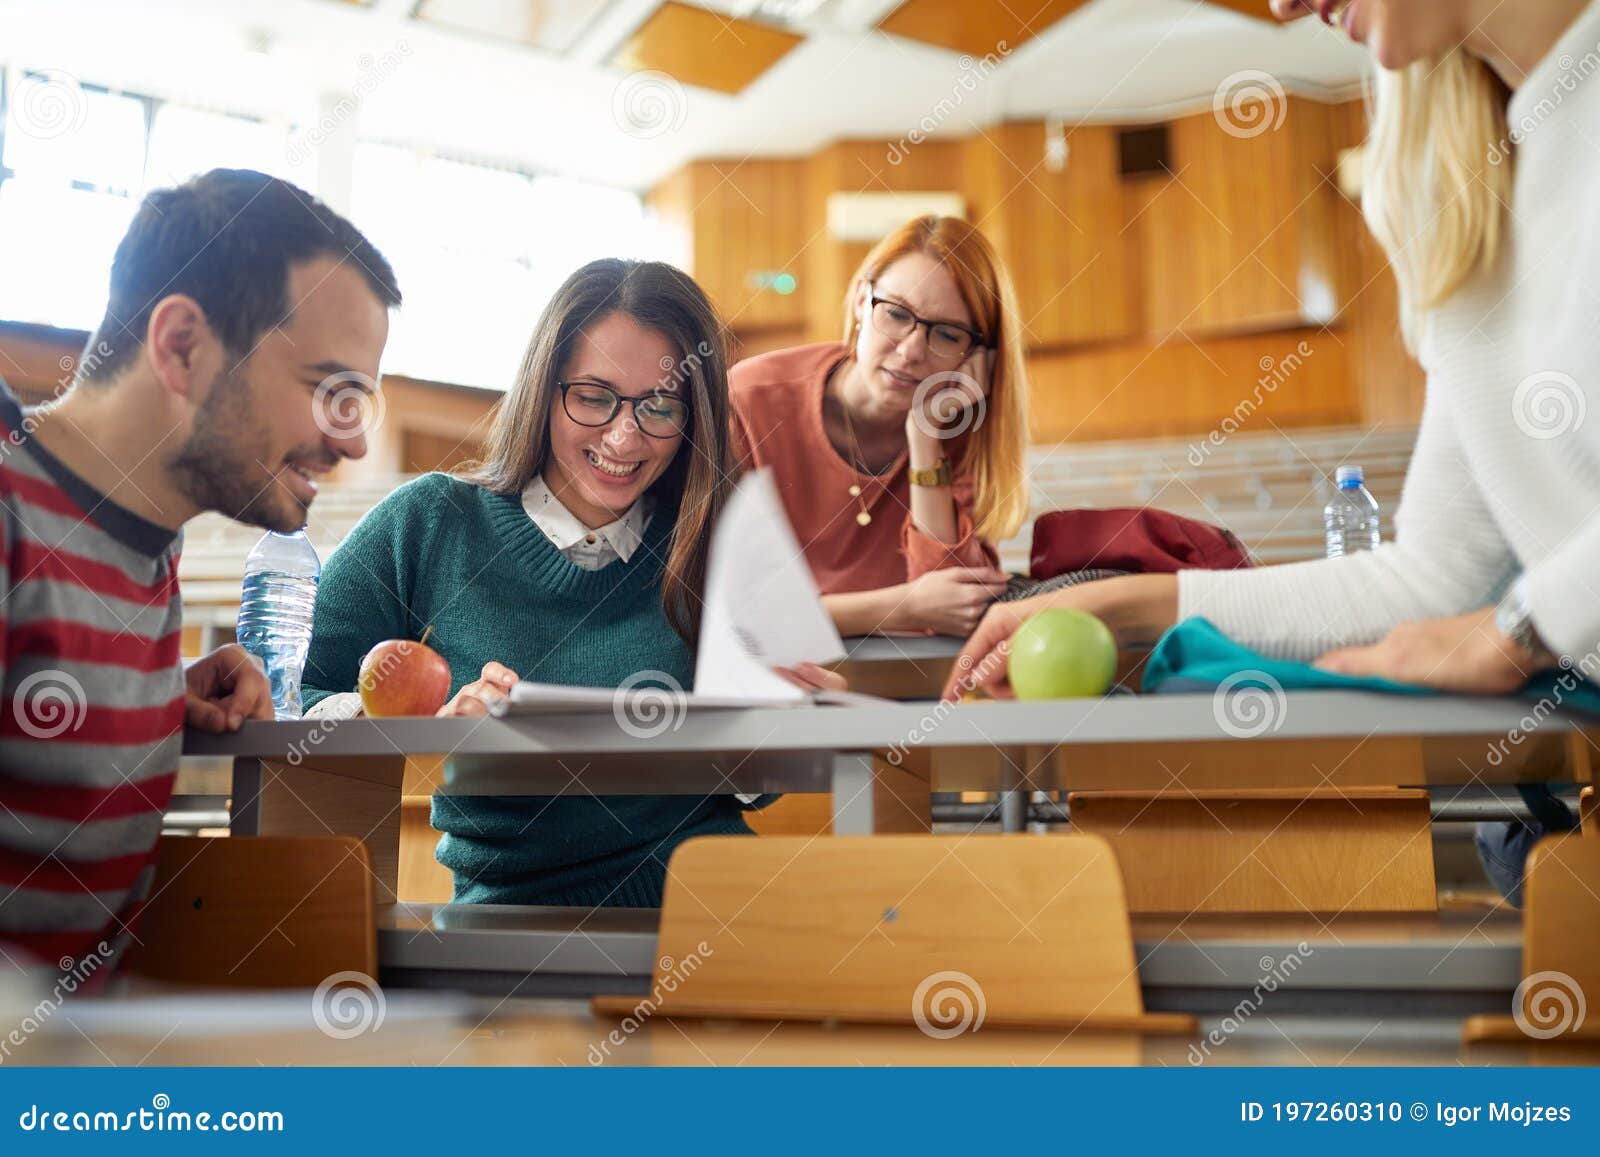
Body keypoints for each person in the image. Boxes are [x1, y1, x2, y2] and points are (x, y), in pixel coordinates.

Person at [947, 0, 1597, 903]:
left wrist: (1519, 628)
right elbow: (1437, 580)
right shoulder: (1465, 197)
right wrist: (1121, 608)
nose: (1284, 7)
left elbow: (1492, 619)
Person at [301, 259, 839, 909]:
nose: (624, 435)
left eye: (661, 406)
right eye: (592, 396)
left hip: (710, 900)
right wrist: (418, 723)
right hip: (505, 916)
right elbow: (293, 689)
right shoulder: (429, 523)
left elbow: (754, 783)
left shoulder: (713, 538)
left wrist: (781, 723)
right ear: (544, 388)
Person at [0, 168, 400, 971]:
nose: (354, 441)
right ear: (182, 347)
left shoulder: (147, 538)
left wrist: (147, 694)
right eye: (330, 390)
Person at [729, 216, 1029, 638]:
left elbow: (955, 614)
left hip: (910, 687)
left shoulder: (964, 432)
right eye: (896, 313)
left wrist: (925, 441)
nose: (910, 351)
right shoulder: (750, 397)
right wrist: (902, 608)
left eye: (947, 334)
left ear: (978, 357)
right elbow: (724, 610)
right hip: (775, 677)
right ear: (859, 300)